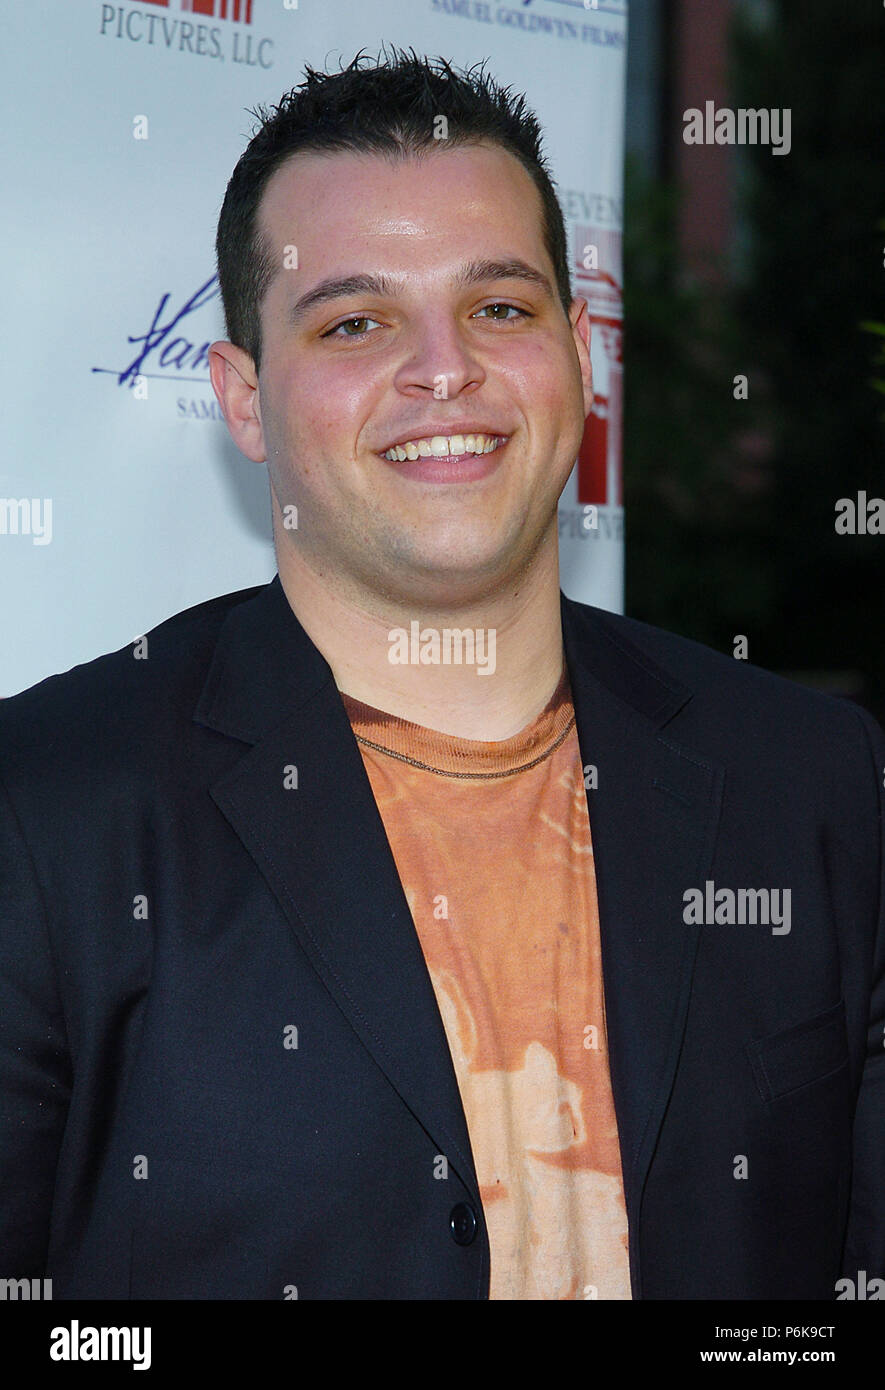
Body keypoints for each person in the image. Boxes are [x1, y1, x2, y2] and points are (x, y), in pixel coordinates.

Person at [1, 48, 882, 1302]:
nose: (444, 369)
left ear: (585, 359)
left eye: (502, 307)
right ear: (245, 399)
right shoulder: (47, 808)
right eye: (356, 321)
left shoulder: (816, 781)